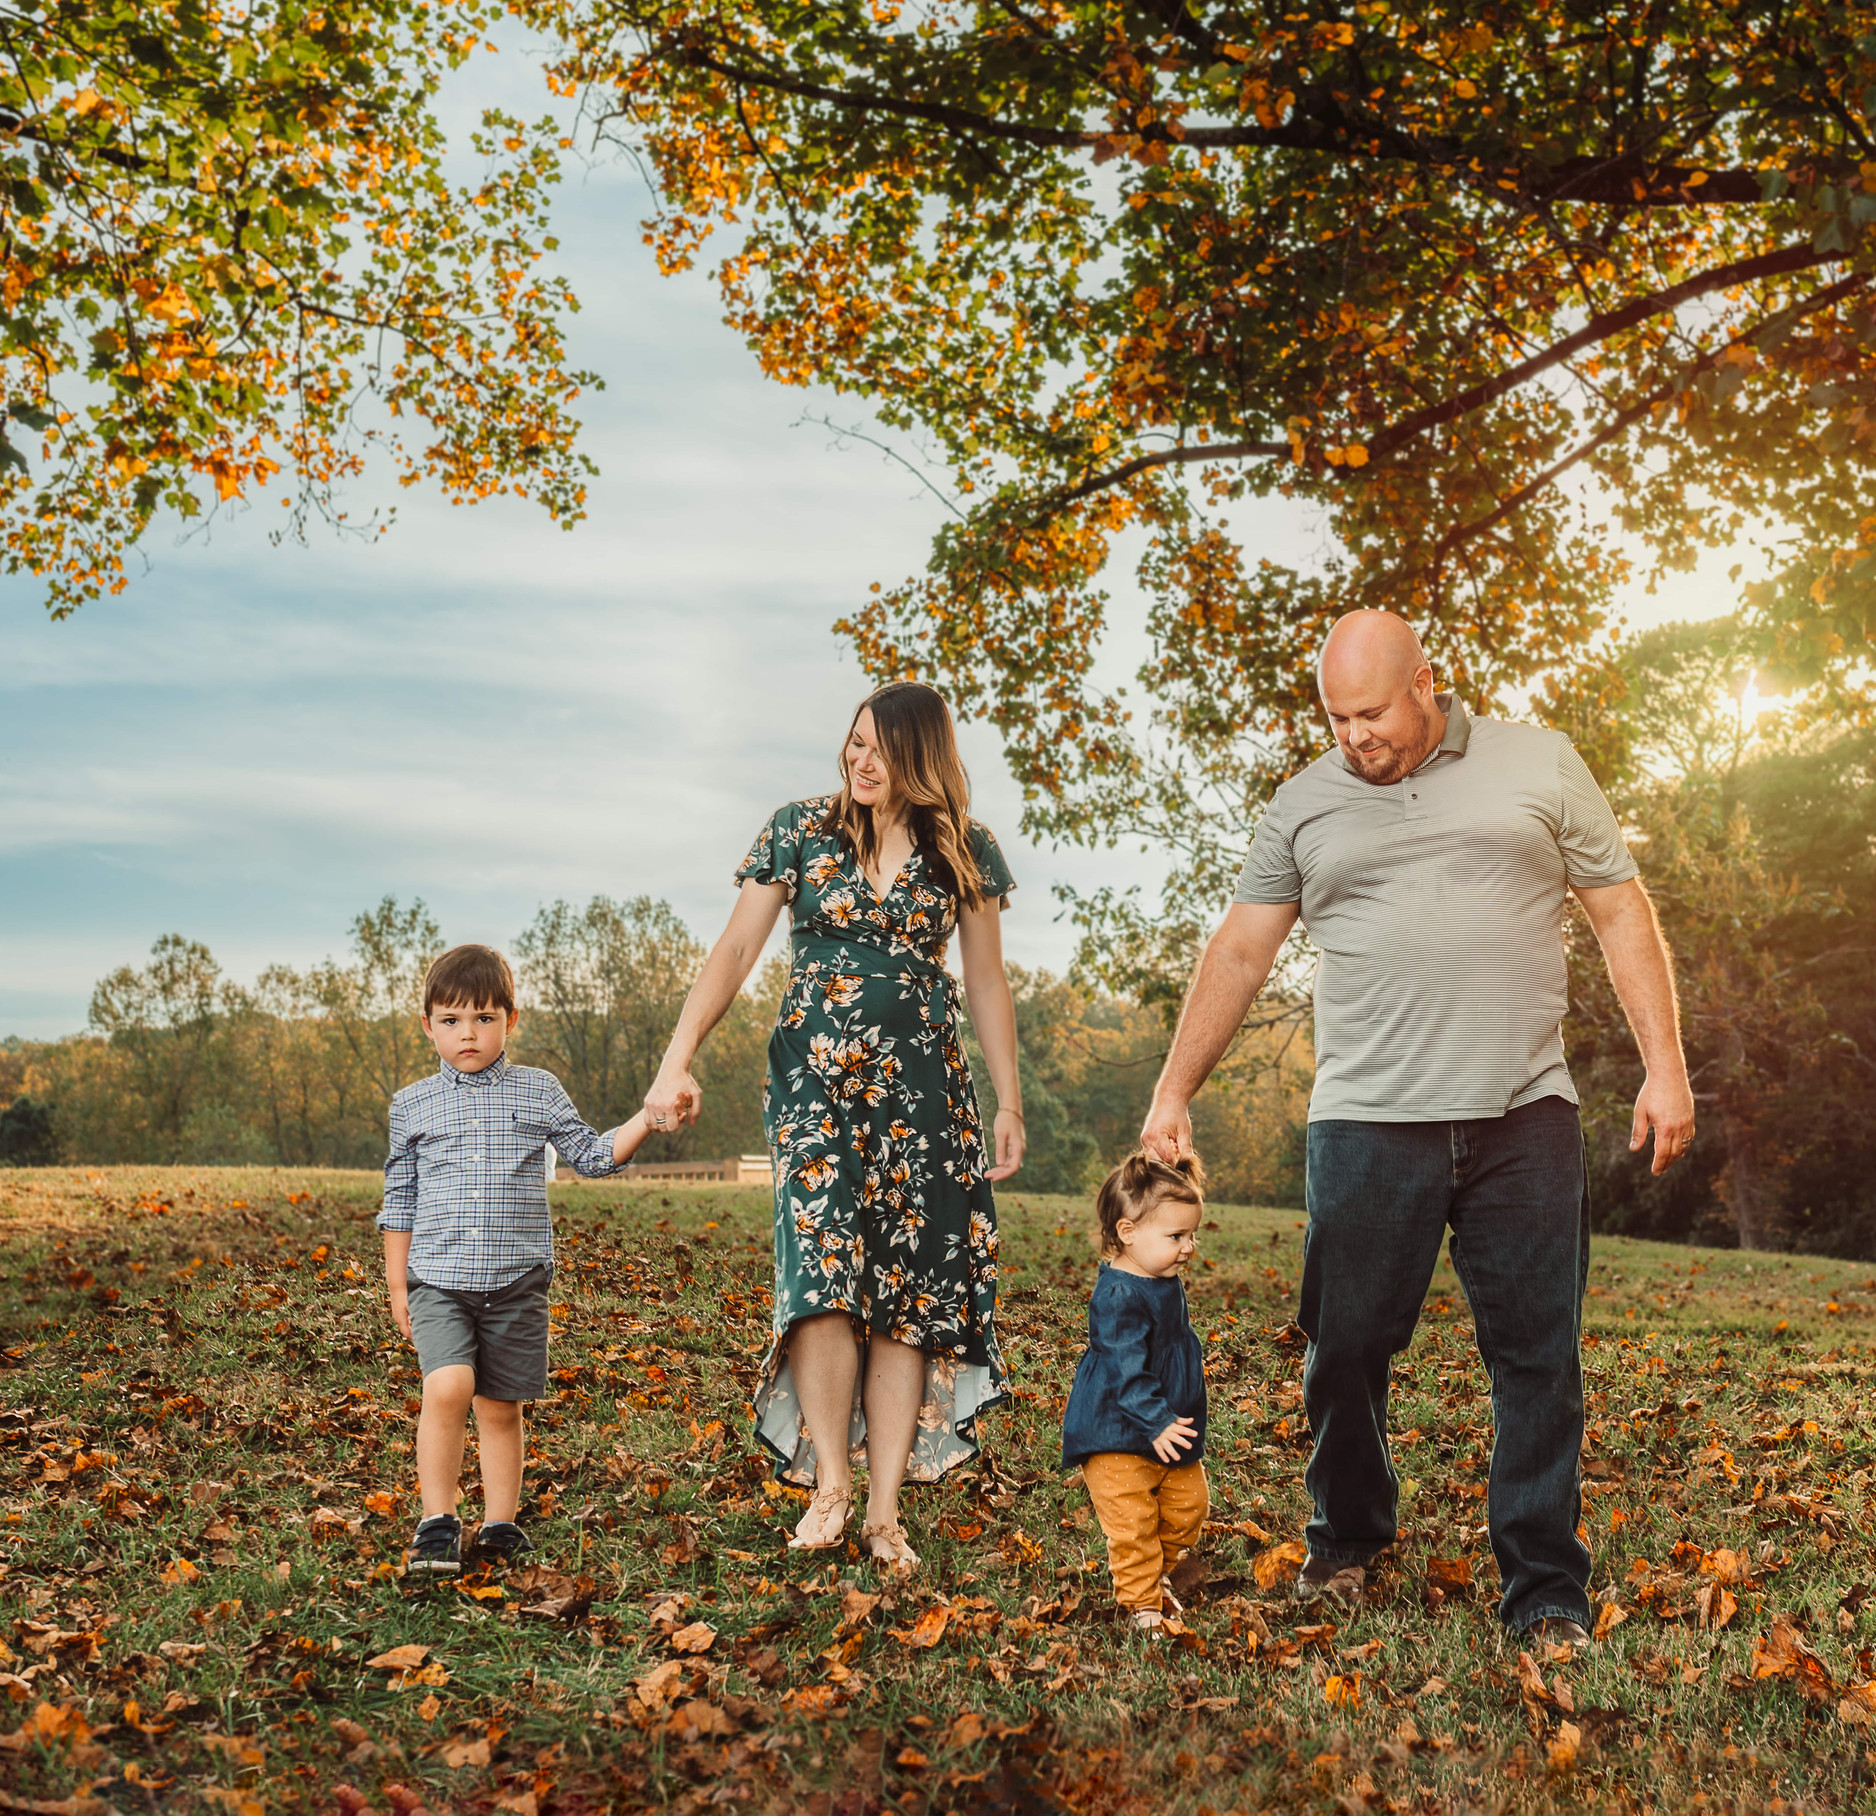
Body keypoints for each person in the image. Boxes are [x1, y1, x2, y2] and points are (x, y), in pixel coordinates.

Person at [1139, 609, 1695, 1645]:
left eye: (1372, 712)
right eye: (1336, 717)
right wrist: (1173, 1090)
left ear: (1427, 683)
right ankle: (1346, 1533)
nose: (1354, 737)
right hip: (1364, 1120)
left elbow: (1621, 908)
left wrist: (1665, 1067)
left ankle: (1543, 1589)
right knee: (1342, 1345)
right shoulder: (1303, 805)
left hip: (1522, 1114)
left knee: (1537, 1355)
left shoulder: (1541, 762)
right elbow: (1238, 955)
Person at [644, 681, 1025, 1573]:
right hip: (814, 1091)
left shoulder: (966, 850)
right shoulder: (800, 829)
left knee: (905, 1296)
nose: (859, 759)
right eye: (852, 742)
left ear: (920, 757)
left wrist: (1007, 1101)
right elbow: (735, 950)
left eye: (879, 748)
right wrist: (676, 1058)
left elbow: (988, 983)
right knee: (820, 1280)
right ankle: (830, 1486)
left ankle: (885, 1511)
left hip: (925, 1101)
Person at [381, 944, 656, 1576]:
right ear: (428, 1025)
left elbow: (592, 1155)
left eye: (483, 1018)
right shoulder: (413, 1105)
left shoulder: (538, 1091)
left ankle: (500, 1525)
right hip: (437, 1281)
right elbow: (399, 1199)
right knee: (449, 1386)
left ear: (511, 1019)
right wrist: (398, 1284)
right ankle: (437, 1524)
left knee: (502, 1408)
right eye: (451, 1021)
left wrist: (647, 1116)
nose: (468, 1034)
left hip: (516, 1283)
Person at [1062, 1151, 1211, 1630]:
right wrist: (1158, 1419)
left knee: (1190, 1508)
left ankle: (1155, 1573)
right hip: (1118, 1431)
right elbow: (1126, 1368)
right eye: (1176, 1237)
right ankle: (1140, 1604)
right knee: (1133, 1526)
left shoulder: (1163, 1278)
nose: (1188, 1247)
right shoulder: (1118, 1295)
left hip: (1169, 1425)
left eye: (1192, 1235)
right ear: (1128, 1234)